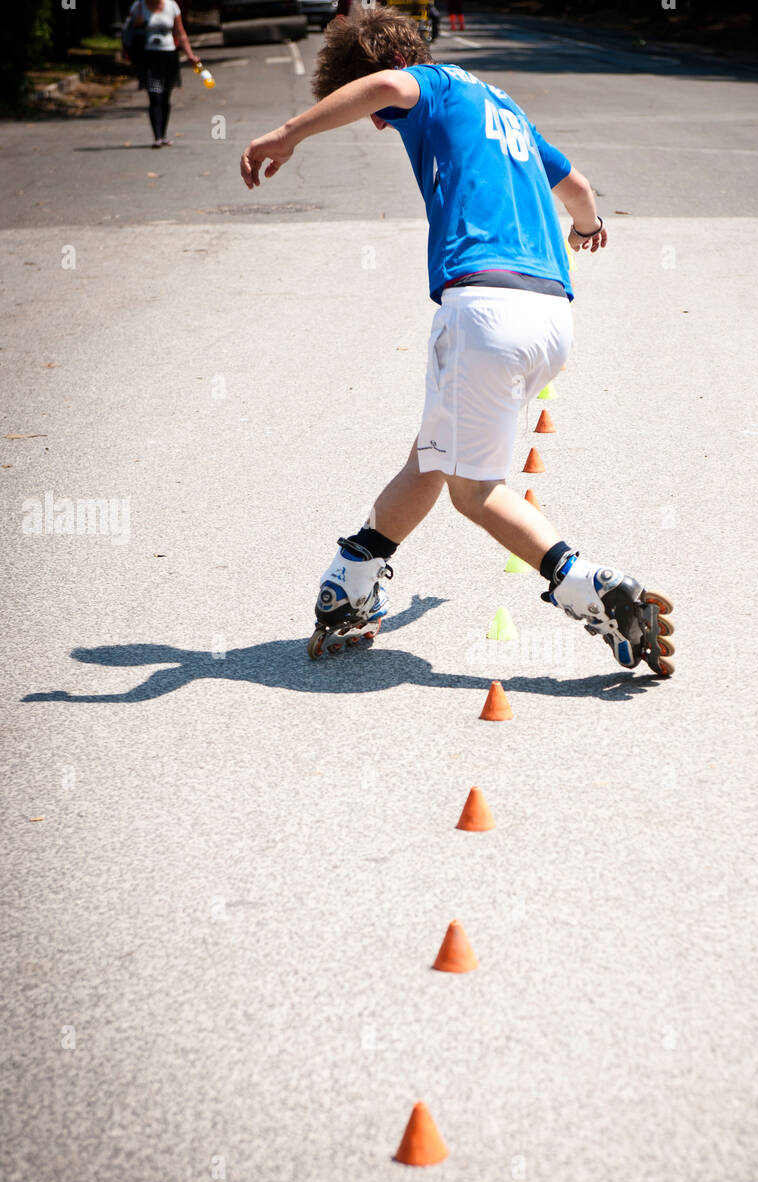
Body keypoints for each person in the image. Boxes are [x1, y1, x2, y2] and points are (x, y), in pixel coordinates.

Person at [239, 3, 673, 676]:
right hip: (551, 315)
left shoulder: (427, 85)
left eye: (372, 112)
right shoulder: (506, 109)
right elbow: (579, 188)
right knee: (433, 457)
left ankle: (588, 586)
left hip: (483, 311)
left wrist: (288, 135)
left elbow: (387, 87)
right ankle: (351, 582)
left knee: (475, 493)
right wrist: (585, 227)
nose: (380, 121)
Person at [124, 0, 200, 149]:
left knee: (165, 96)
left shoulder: (171, 5)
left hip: (169, 57)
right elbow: (128, 32)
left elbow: (180, 32)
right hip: (150, 58)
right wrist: (136, 23)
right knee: (155, 95)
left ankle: (163, 135)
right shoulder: (138, 6)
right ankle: (157, 136)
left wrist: (190, 54)